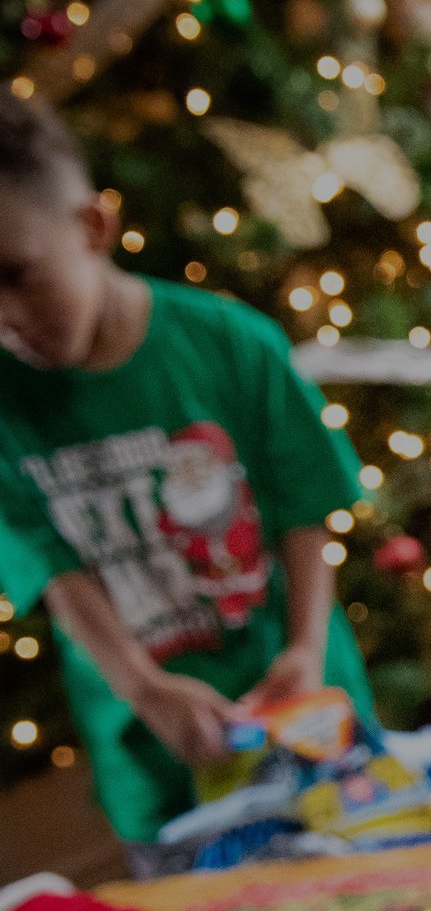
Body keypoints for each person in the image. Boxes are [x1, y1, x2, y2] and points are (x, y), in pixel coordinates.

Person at [0, 94, 371, 855]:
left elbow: (307, 513)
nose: (4, 316)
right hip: (158, 767)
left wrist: (303, 650)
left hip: (308, 725)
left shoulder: (233, 343)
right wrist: (139, 686)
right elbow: (54, 570)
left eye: (16, 275)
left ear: (92, 227)